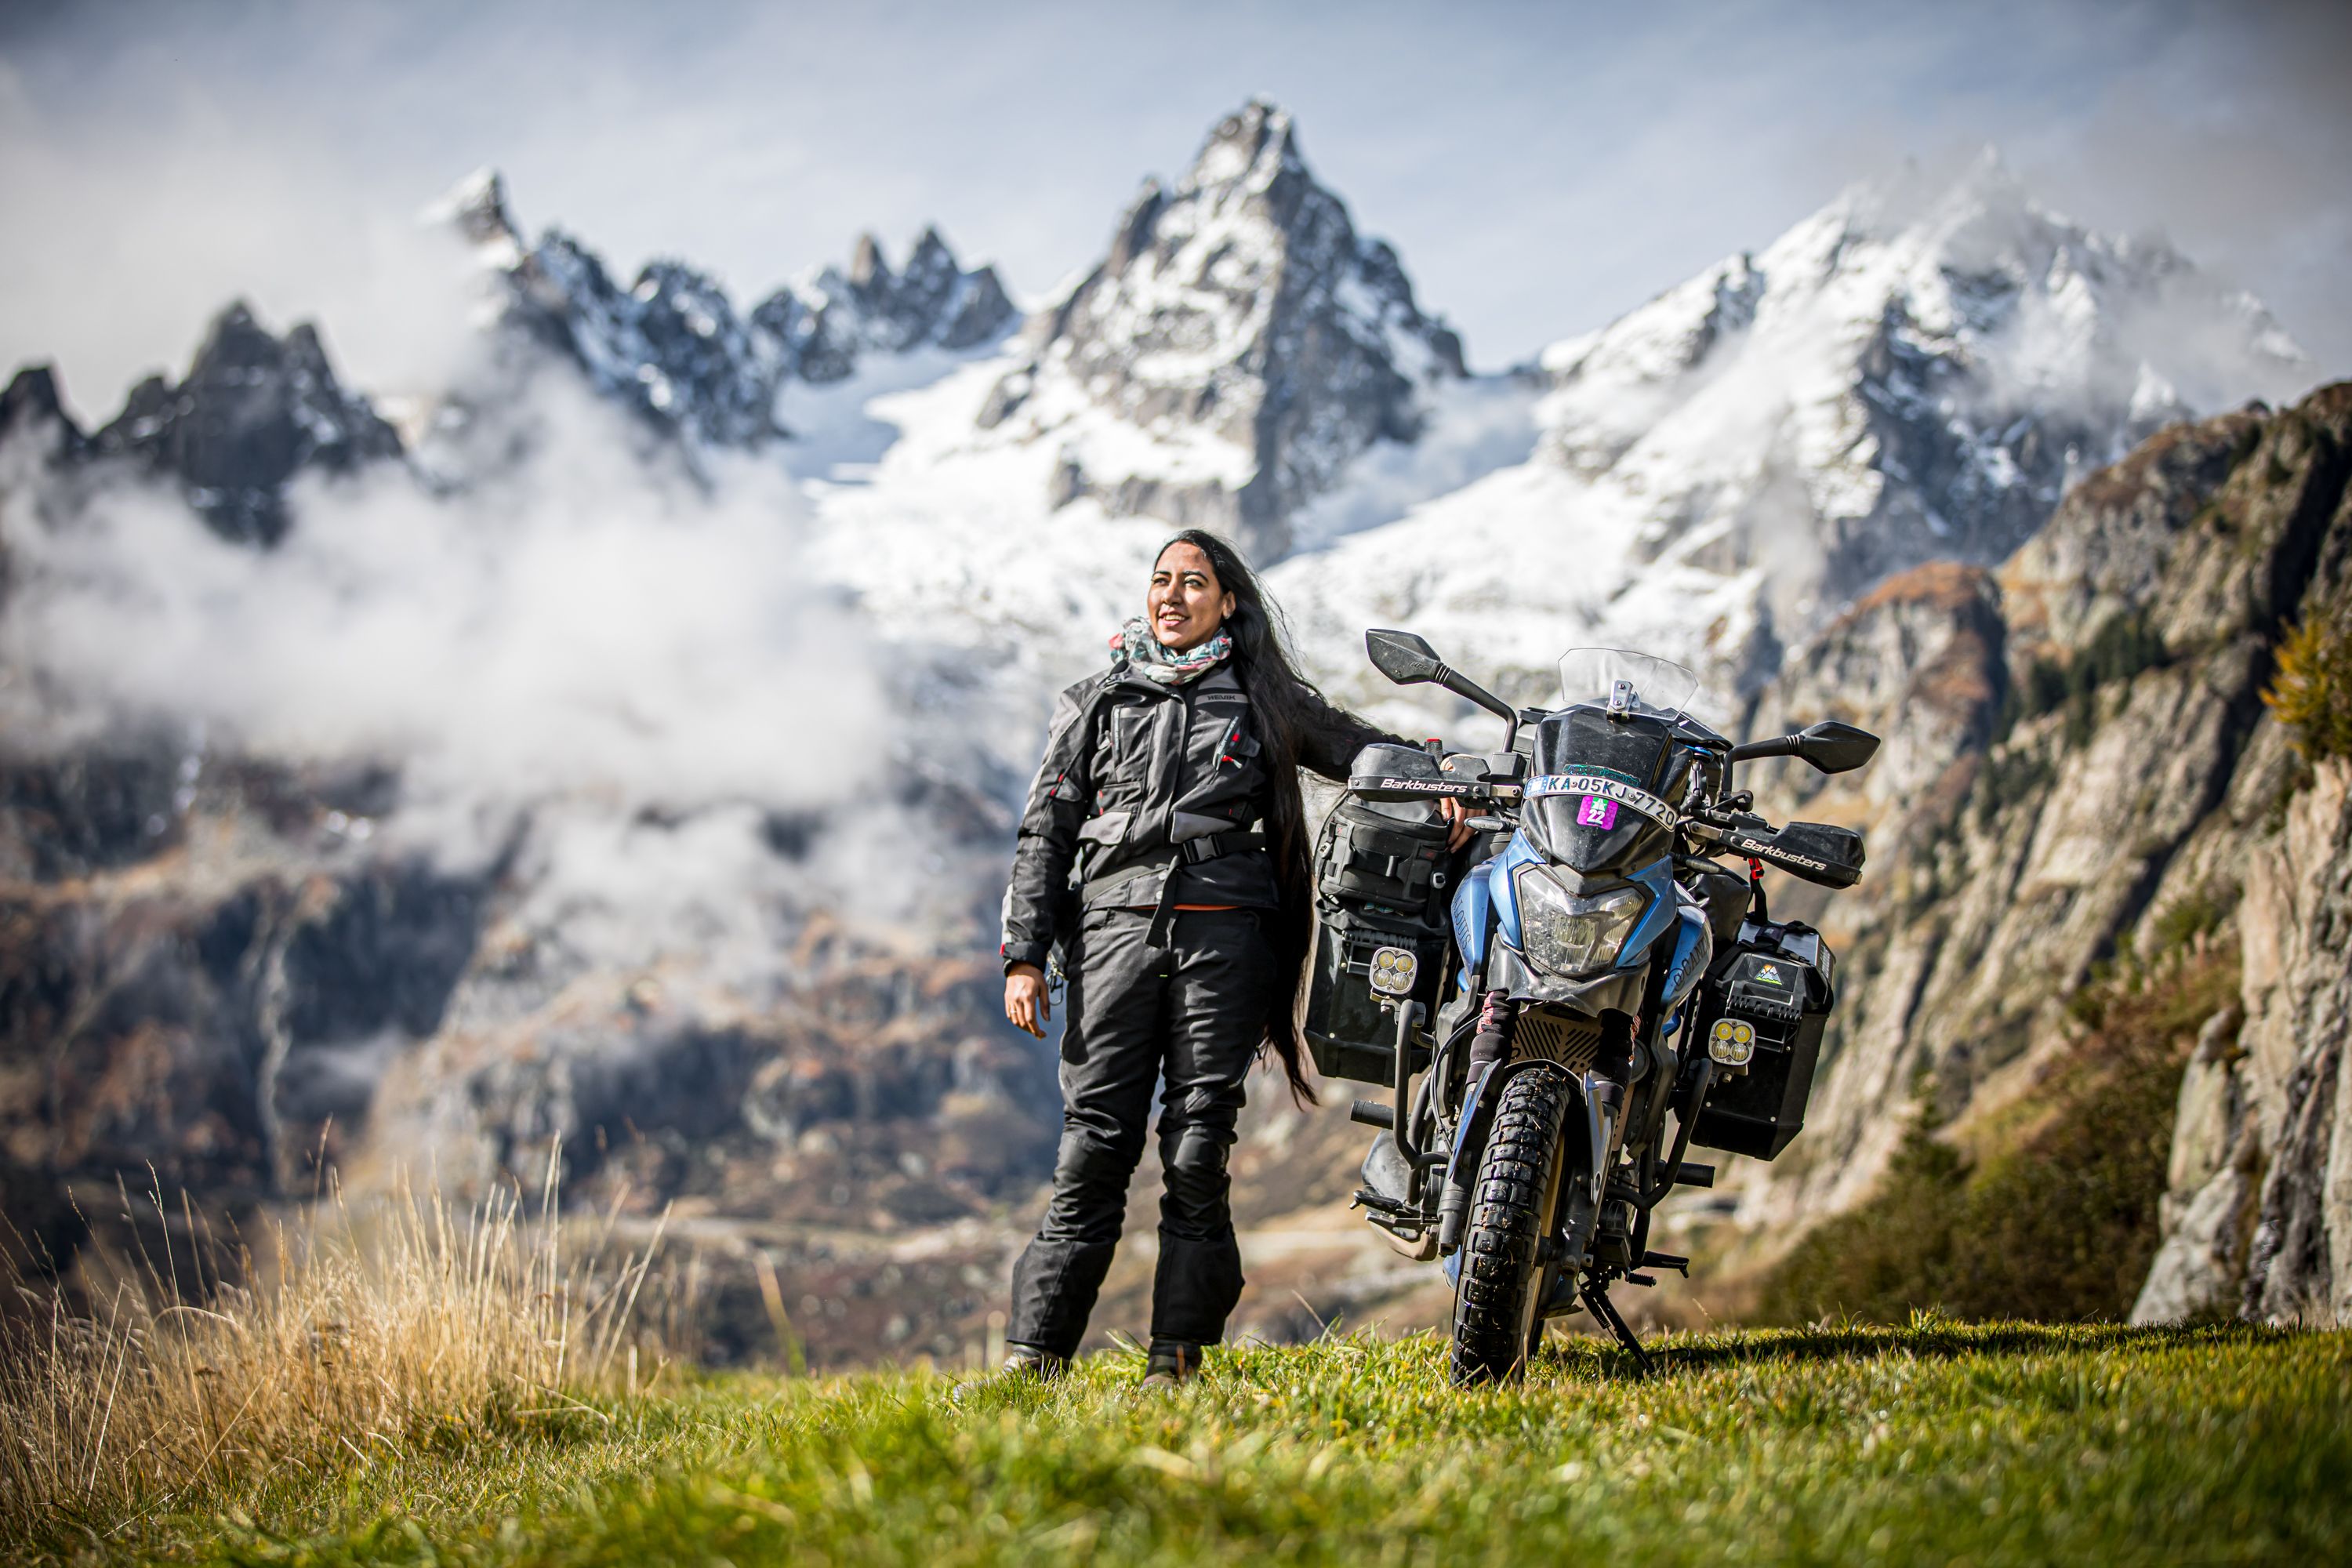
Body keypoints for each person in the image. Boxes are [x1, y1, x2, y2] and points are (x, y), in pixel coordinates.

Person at [995, 529, 1469, 1388]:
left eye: (1193, 582)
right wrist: (1024, 956)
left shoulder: (1263, 695)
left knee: (1197, 1143)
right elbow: (1045, 832)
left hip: (1227, 934)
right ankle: (1034, 1360)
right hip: (1109, 935)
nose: (1171, 595)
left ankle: (1174, 1361)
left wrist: (1434, 776)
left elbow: (1358, 749)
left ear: (1228, 602)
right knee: (1094, 1143)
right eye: (1160, 581)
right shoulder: (1096, 700)